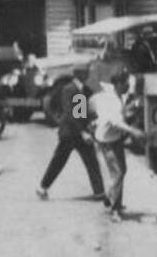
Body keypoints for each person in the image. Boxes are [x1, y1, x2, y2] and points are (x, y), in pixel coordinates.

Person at [36, 69, 105, 200]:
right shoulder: (70, 89)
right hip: (70, 133)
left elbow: (81, 112)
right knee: (59, 161)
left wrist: (90, 122)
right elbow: (71, 114)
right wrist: (83, 132)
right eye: (86, 73)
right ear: (79, 74)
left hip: (77, 132)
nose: (88, 75)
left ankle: (99, 191)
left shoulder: (82, 89)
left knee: (91, 161)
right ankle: (42, 187)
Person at [90, 68, 146, 222]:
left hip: (114, 138)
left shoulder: (117, 95)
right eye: (126, 84)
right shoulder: (112, 99)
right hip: (107, 140)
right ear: (118, 84)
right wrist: (134, 131)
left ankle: (110, 199)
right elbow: (115, 122)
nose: (128, 86)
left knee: (122, 170)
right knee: (118, 173)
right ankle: (114, 209)